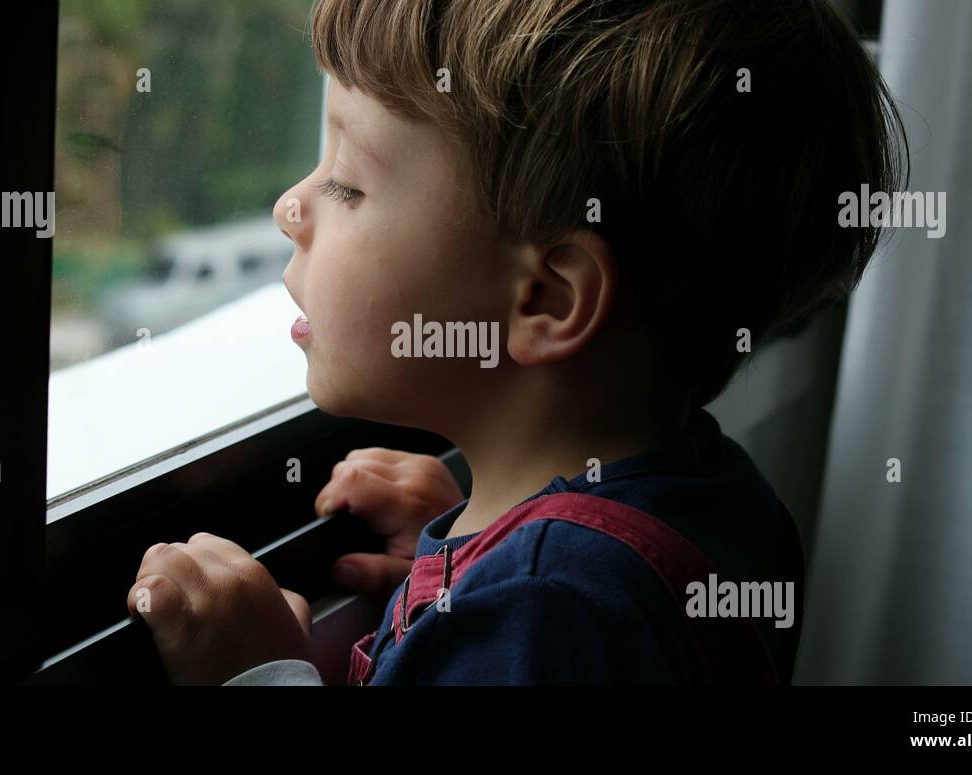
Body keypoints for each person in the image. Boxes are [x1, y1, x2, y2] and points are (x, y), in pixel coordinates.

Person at [126, 0, 907, 685]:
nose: (291, 207)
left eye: (349, 184)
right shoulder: (722, 500)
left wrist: (260, 673)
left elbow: (559, 619)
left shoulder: (543, 613)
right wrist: (480, 528)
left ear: (547, 298)